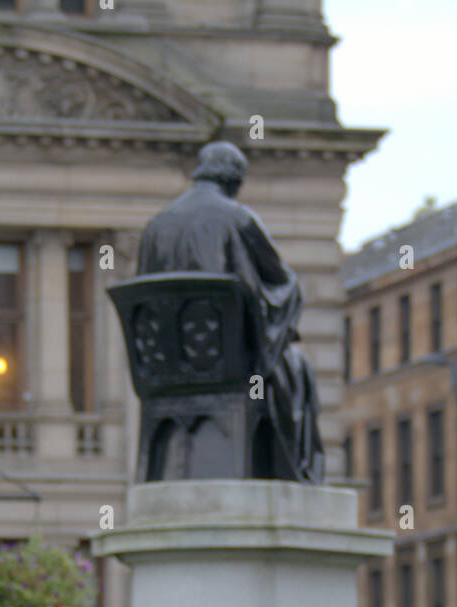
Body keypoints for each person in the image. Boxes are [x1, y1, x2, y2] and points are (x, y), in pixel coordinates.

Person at [137, 141, 325, 482]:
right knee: (296, 369)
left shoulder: (154, 227)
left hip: (165, 371)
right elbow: (280, 283)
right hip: (230, 367)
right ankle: (290, 478)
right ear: (235, 180)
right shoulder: (239, 218)